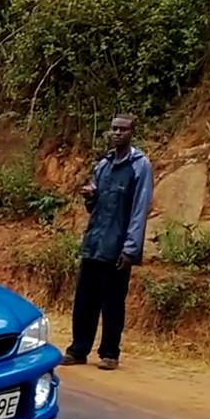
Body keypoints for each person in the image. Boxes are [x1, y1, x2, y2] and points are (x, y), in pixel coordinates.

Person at [60, 115, 154, 370]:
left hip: (117, 248)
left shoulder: (140, 166)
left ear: (132, 132)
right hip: (94, 243)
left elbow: (139, 209)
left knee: (112, 303)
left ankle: (110, 353)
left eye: (123, 129)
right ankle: (78, 349)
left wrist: (130, 249)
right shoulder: (103, 165)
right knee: (84, 301)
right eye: (114, 129)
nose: (117, 133)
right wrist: (90, 196)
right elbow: (95, 206)